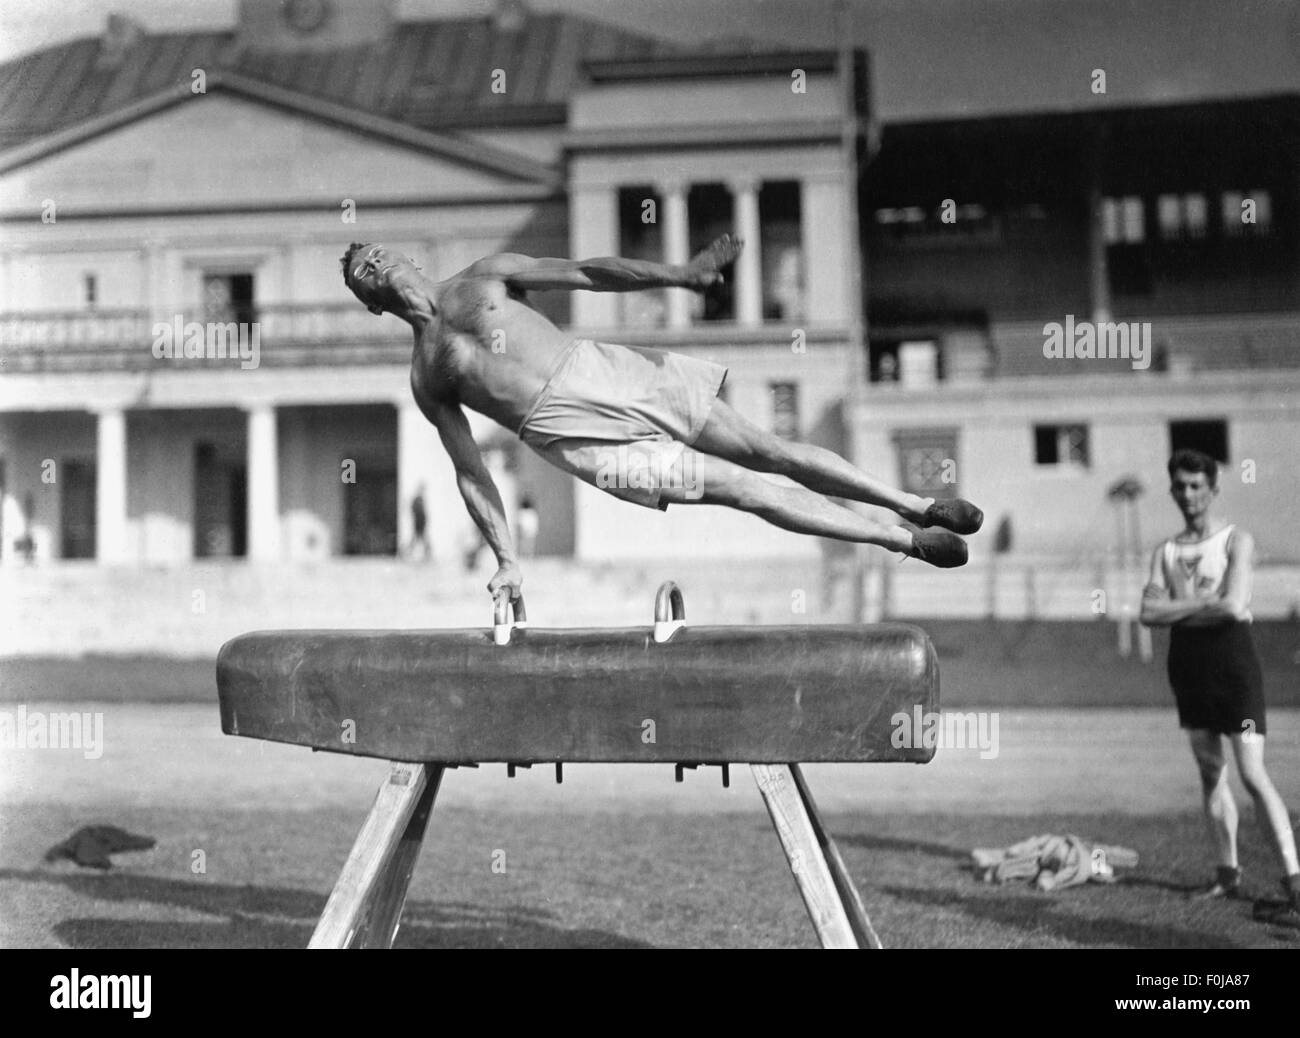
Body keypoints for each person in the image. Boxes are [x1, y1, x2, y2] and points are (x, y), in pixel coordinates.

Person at [339, 235, 983, 612]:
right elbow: (471, 470)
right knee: (744, 490)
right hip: (571, 437)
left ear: (408, 259)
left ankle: (919, 504)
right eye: (361, 274)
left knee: (766, 449)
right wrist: (507, 559)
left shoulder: (485, 276)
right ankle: (905, 542)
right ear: (371, 305)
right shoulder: (427, 376)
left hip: (602, 370)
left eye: (376, 254)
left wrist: (680, 275)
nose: (373, 267)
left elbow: (589, 274)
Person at [1139, 448, 1299, 925]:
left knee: (1251, 772)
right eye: (1180, 486)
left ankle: (1295, 881)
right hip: (1189, 670)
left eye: (1196, 485)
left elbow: (1233, 608)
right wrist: (1203, 602)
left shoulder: (1236, 541)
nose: (1188, 494)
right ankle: (1226, 873)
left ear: (1212, 489)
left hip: (1234, 669)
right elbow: (1148, 615)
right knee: (1211, 773)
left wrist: (1180, 607)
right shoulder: (1164, 552)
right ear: (1172, 490)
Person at [407, 483, 431, 561]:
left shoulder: (420, 499)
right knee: (418, 539)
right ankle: (408, 553)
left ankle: (427, 555)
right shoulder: (417, 499)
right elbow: (415, 511)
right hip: (418, 523)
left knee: (419, 540)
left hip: (420, 523)